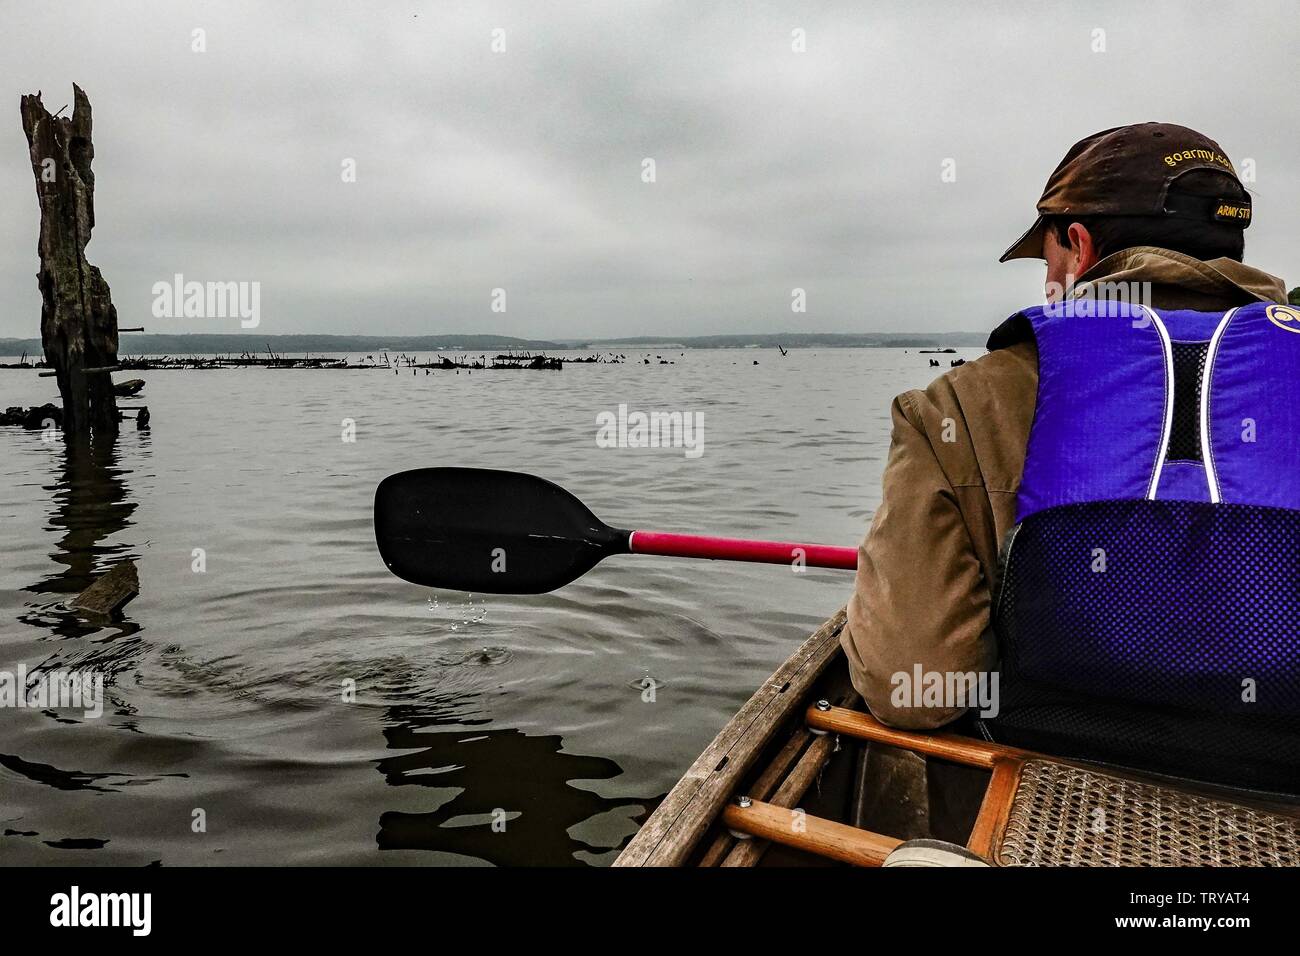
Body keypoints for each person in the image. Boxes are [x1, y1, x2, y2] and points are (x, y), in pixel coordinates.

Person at [840, 123, 1295, 791]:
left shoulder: (955, 407)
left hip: (1048, 788)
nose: (1049, 277)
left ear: (1078, 248)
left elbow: (913, 689)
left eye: (1046, 256)